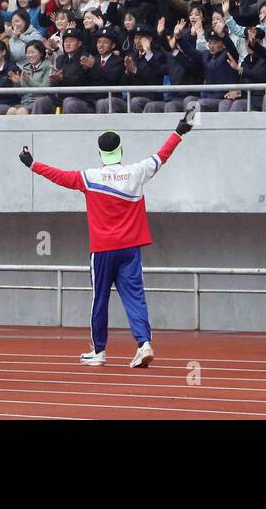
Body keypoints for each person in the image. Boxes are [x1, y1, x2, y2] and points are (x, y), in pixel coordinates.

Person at [20, 108, 196, 368]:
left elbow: (59, 176)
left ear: (100, 154)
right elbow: (162, 155)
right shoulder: (137, 171)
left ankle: (99, 351)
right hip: (130, 249)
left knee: (99, 299)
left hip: (103, 250)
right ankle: (144, 343)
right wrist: (179, 131)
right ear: (120, 151)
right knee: (135, 296)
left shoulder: (90, 177)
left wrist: (33, 164)